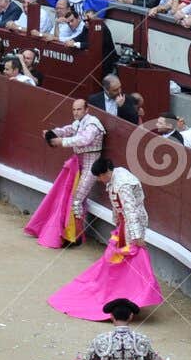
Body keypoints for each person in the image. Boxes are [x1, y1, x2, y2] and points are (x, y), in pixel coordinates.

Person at [42, 99, 106, 246]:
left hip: (91, 164)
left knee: (77, 199)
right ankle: (72, 234)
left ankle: (75, 237)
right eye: (74, 110)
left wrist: (62, 142)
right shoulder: (79, 122)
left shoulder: (92, 124)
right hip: (79, 164)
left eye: (79, 109)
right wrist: (52, 133)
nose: (76, 112)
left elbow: (84, 139)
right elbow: (67, 129)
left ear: (87, 109)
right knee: (74, 197)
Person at [94, 157, 147, 253]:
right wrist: (117, 221)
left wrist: (137, 236)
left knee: (130, 251)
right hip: (124, 220)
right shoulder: (116, 173)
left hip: (134, 221)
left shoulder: (123, 185)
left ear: (104, 173)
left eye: (99, 176)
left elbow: (131, 210)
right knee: (124, 249)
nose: (98, 180)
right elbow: (117, 204)